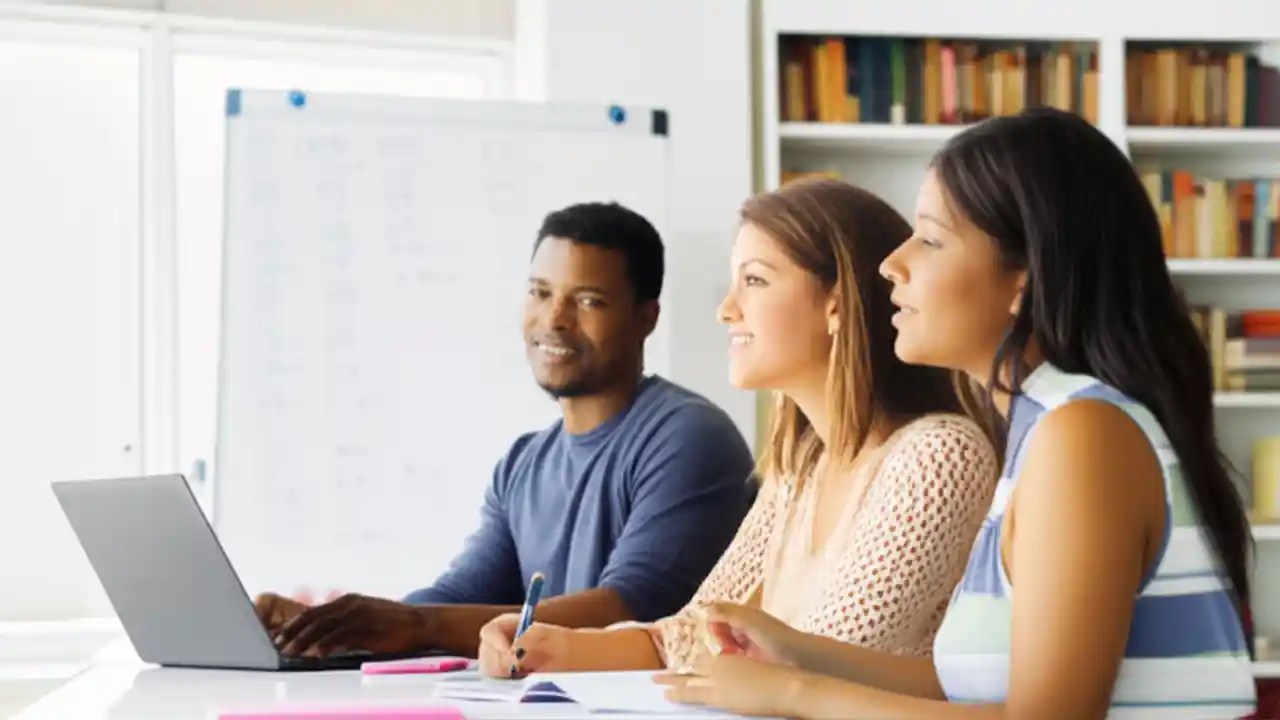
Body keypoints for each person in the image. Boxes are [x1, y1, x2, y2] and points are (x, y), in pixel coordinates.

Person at [655, 107, 1258, 719]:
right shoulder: (1041, 431)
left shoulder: (1084, 434)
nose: (891, 264)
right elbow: (966, 688)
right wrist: (794, 654)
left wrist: (794, 691)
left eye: (931, 239)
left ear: (1023, 281)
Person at [476, 179, 999, 678]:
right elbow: (694, 632)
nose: (727, 310)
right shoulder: (801, 469)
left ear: (836, 304)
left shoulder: (937, 456)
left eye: (754, 281)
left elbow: (823, 663)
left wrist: (719, 656)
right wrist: (556, 645)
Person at [255, 201, 757, 659]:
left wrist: (414, 624)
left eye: (588, 301)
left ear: (646, 317)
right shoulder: (523, 463)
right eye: (540, 293)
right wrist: (327, 628)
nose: (554, 319)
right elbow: (458, 596)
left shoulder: (690, 439)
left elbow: (628, 611)